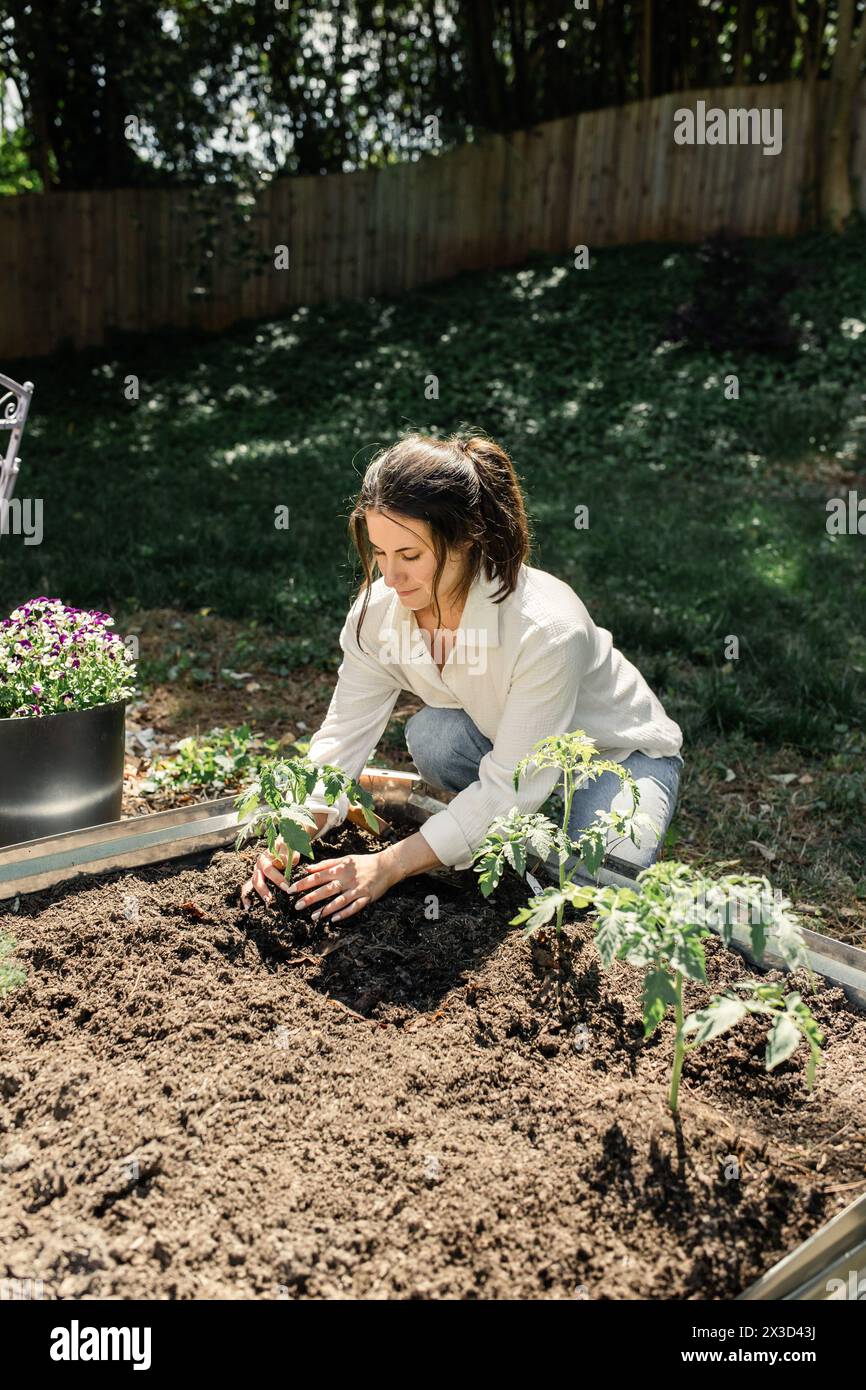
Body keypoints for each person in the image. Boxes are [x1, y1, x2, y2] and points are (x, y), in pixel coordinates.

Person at [241, 430, 684, 919]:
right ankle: (508, 826)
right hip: (515, 745)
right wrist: (296, 829)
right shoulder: (379, 615)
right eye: (380, 553)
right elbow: (343, 737)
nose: (390, 576)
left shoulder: (545, 630)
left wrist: (387, 866)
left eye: (410, 556)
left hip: (619, 755)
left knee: (591, 894)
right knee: (434, 737)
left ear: (467, 540)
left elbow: (508, 790)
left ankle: (557, 823)